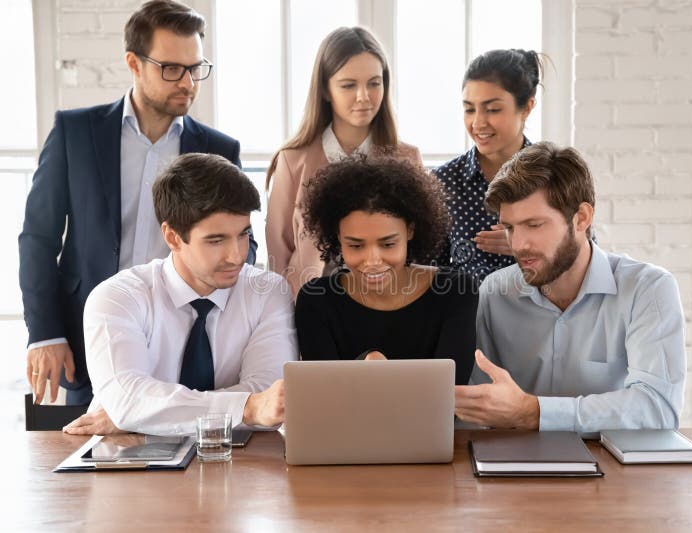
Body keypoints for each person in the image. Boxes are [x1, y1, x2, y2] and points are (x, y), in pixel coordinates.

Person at [19, 0, 253, 407]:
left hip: (184, 339)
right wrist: (46, 332)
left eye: (195, 68)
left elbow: (240, 243)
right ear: (134, 63)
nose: (188, 83)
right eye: (172, 69)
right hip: (88, 336)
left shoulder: (218, 148)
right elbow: (38, 238)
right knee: (92, 460)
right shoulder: (75, 133)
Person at [454, 142, 686, 434]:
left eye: (534, 225)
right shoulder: (495, 292)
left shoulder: (648, 289)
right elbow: (478, 410)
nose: (518, 244)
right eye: (511, 227)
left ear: (582, 218)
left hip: (613, 472)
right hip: (514, 468)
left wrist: (534, 413)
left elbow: (658, 409)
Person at [63, 153, 297, 436]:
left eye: (243, 234)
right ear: (173, 237)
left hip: (241, 460)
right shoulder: (117, 297)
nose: (237, 255)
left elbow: (267, 396)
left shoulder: (268, 292)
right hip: (130, 464)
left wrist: (146, 417)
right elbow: (128, 399)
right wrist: (245, 408)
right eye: (216, 240)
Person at [266, 26, 422, 297]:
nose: (364, 96)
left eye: (374, 83)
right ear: (326, 89)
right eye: (349, 85)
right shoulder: (293, 161)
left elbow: (419, 249)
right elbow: (277, 256)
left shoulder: (407, 159)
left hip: (389, 306)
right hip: (310, 309)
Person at [294, 158, 478, 385]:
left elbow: (450, 393)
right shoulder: (316, 301)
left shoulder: (455, 292)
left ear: (410, 230)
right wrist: (365, 363)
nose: (372, 261)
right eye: (356, 245)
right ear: (338, 237)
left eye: (388, 244)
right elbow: (323, 395)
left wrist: (378, 376)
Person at [433, 49, 541, 282]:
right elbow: (429, 273)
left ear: (527, 108)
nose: (478, 123)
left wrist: (527, 246)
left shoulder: (555, 177)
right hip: (468, 317)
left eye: (492, 109)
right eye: (469, 109)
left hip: (543, 315)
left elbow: (584, 260)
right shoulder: (443, 182)